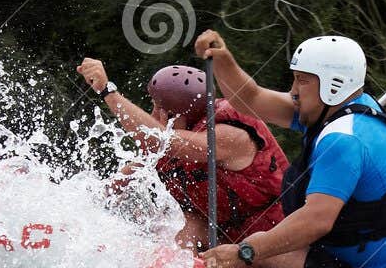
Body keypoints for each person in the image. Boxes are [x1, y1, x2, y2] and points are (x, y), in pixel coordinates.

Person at [192, 30, 386, 268]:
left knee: (259, 247)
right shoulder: (353, 109)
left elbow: (315, 222)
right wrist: (223, 60)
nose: (294, 90)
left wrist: (244, 252)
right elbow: (252, 99)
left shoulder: (343, 140)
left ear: (333, 85)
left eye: (303, 80)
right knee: (266, 243)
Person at [75, 58, 286, 248]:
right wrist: (84, 207)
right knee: (179, 227)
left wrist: (107, 92)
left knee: (188, 227)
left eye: (158, 108)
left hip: (275, 235)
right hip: (224, 231)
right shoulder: (179, 135)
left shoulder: (230, 136)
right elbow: (132, 171)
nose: (153, 114)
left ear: (180, 115)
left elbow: (162, 140)